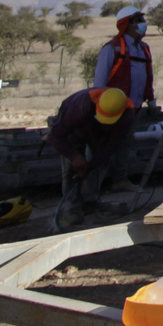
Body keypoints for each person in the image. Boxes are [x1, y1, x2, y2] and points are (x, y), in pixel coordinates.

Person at [45, 85, 131, 229]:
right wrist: (74, 156)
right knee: (71, 166)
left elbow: (111, 147)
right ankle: (71, 207)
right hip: (76, 127)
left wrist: (90, 166)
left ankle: (90, 201)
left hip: (101, 133)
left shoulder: (127, 114)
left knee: (101, 162)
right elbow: (55, 135)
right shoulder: (79, 107)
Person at [90, 6, 155, 193]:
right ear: (126, 24)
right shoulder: (112, 48)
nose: (143, 24)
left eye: (142, 20)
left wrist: (151, 100)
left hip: (134, 107)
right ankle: (94, 184)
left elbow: (148, 75)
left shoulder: (144, 49)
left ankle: (120, 180)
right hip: (112, 108)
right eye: (138, 20)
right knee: (104, 144)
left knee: (125, 143)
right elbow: (99, 83)